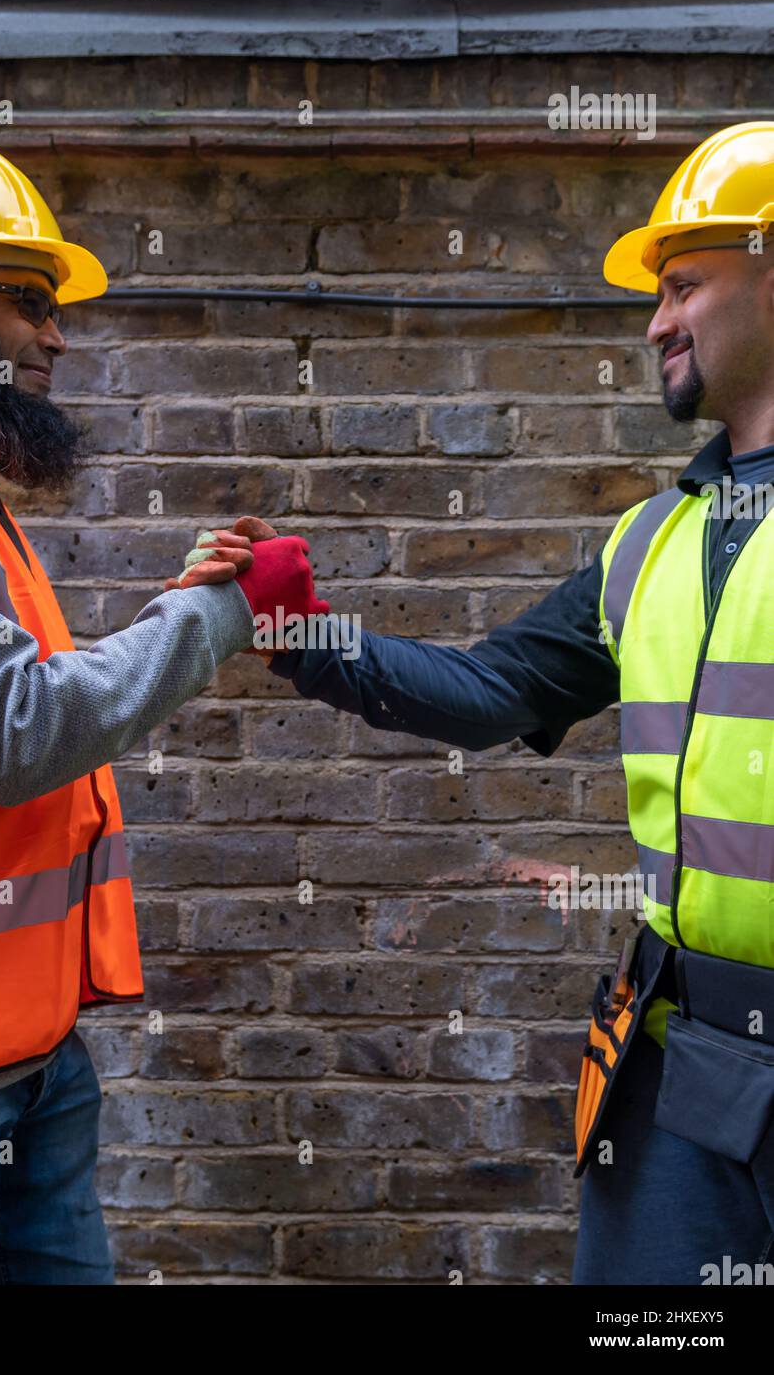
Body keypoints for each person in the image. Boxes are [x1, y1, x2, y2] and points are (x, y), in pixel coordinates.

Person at [178, 122, 774, 1285]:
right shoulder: (650, 545)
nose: (656, 322)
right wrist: (303, 630)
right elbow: (488, 690)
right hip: (682, 1061)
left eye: (686, 284)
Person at [0, 139, 327, 1285]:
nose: (56, 336)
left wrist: (186, 600)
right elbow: (13, 730)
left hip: (23, 1063)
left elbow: (15, 703)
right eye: (30, 302)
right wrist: (214, 621)